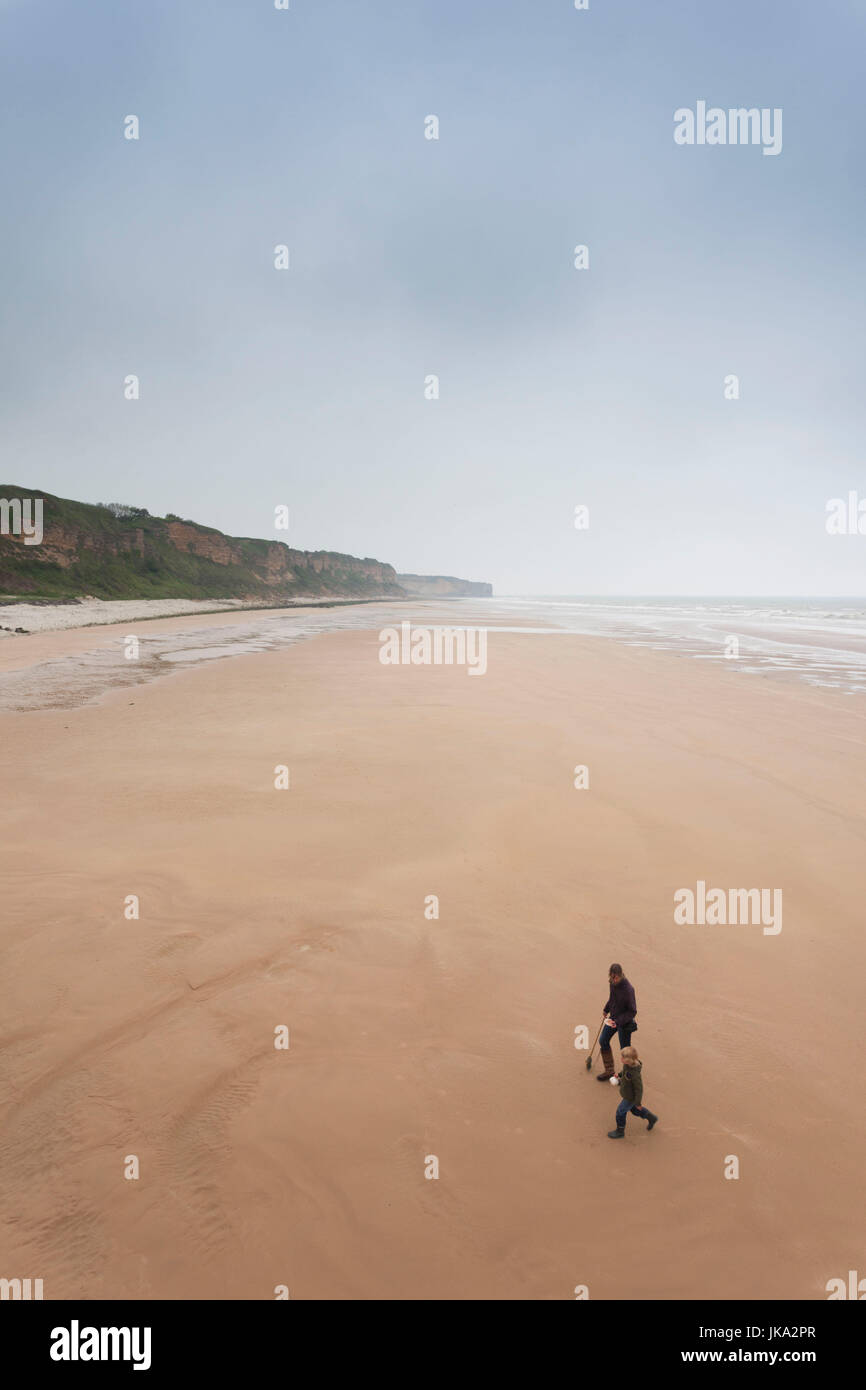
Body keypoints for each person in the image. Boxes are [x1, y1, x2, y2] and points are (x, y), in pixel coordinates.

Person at [596, 962, 638, 1081]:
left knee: (625, 1051)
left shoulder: (629, 990)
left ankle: (627, 1075)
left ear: (620, 975)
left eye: (615, 978)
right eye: (612, 977)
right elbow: (612, 998)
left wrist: (618, 1022)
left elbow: (632, 1011)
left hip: (624, 1023)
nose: (613, 980)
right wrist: (606, 1009)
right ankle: (609, 1070)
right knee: (603, 1040)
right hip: (613, 1018)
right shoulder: (612, 983)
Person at [607, 1046, 658, 1138]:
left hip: (630, 1097)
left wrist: (638, 1102)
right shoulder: (627, 1065)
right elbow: (624, 1071)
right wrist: (619, 1075)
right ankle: (651, 1118)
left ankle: (620, 1131)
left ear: (629, 1060)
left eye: (623, 1058)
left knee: (620, 1112)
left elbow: (639, 1089)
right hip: (627, 1093)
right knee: (634, 1110)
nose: (621, 1059)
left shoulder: (635, 1074)